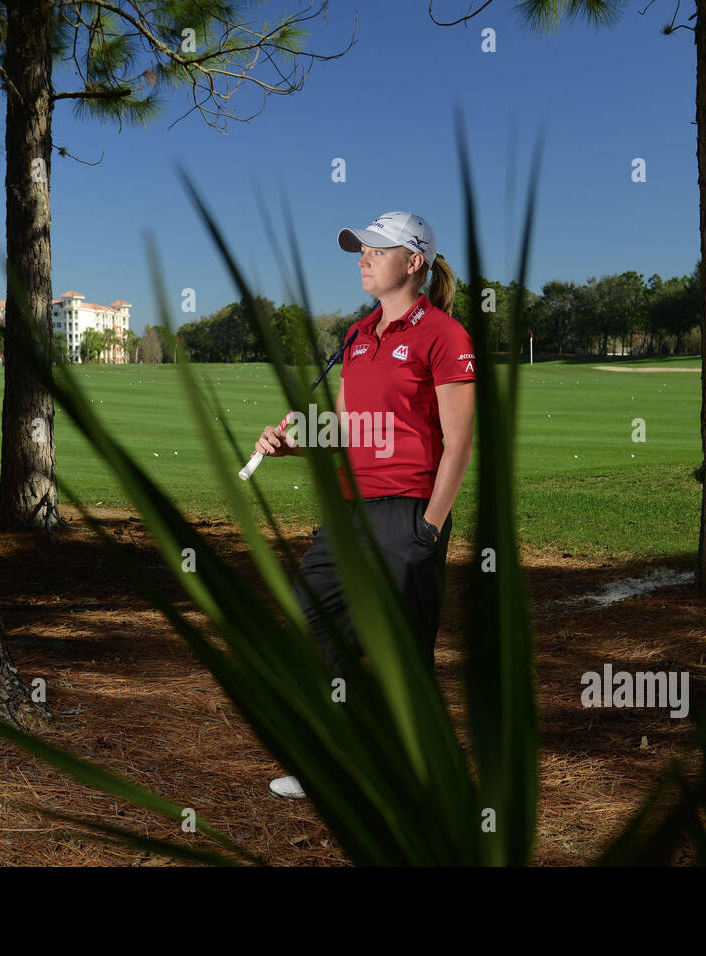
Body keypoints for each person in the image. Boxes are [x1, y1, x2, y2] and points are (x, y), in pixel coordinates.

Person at [253, 210, 476, 800]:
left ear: (414, 261)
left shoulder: (444, 335)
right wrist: (293, 444)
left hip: (407, 511)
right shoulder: (357, 336)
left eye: (376, 250)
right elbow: (351, 429)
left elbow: (459, 443)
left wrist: (428, 527)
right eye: (360, 250)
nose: (364, 258)